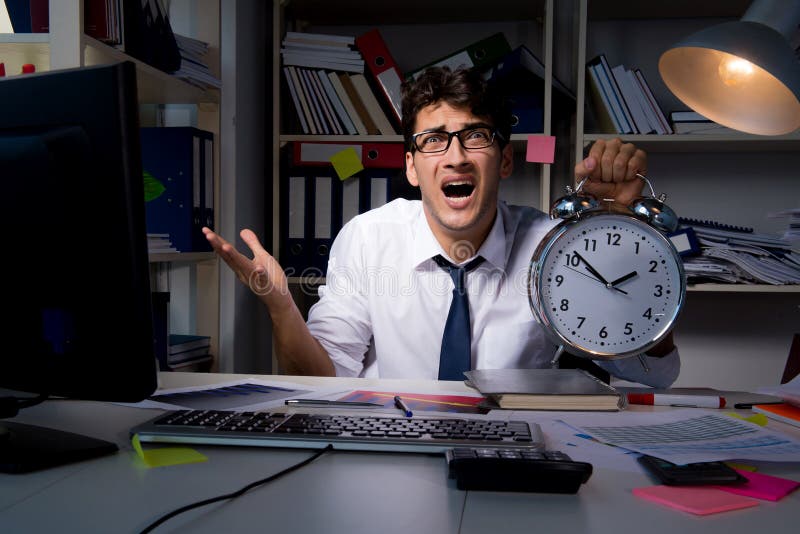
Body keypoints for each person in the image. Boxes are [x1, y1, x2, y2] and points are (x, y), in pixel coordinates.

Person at [203, 66, 679, 387]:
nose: (455, 158)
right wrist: (281, 307)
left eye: (475, 137)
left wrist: (622, 237)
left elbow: (653, 374)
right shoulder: (368, 239)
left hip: (512, 457)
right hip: (392, 452)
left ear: (506, 160)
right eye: (433, 140)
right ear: (411, 168)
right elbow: (324, 381)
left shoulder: (553, 247)